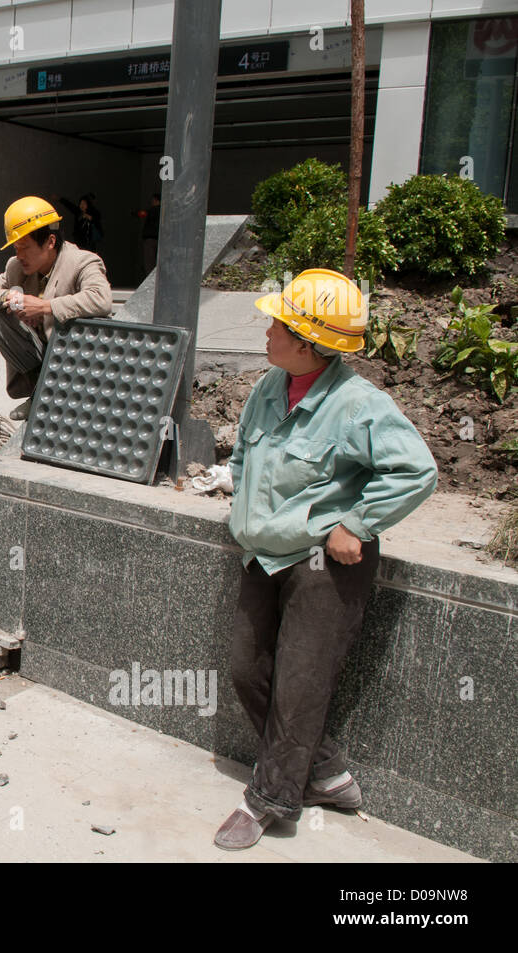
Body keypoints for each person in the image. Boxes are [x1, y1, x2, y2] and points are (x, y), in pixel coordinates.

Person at [214, 268, 437, 850]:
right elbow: (242, 453)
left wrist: (356, 524)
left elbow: (416, 470)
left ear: (309, 341)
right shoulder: (271, 385)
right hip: (264, 554)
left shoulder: (359, 404)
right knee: (246, 668)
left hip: (321, 560)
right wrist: (243, 507)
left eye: (278, 324)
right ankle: (327, 772)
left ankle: (270, 801)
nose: (267, 330)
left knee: (301, 684)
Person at [0, 195, 113, 420]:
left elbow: (101, 299)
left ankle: (48, 393)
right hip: (35, 357)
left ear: (50, 241)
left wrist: (45, 307)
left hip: (73, 361)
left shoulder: (82, 261)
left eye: (25, 247)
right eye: (16, 248)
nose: (19, 255)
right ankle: (40, 390)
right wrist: (14, 298)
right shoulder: (15, 266)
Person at [141, 192, 161, 276]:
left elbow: (142, 213)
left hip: (151, 238)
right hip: (160, 239)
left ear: (156, 200)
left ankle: (151, 279)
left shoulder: (153, 210)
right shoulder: (165, 211)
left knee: (149, 262)